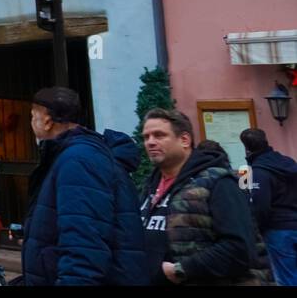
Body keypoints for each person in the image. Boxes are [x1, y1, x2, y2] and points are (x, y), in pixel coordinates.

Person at [21, 86, 146, 286]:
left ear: (46, 120)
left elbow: (84, 245)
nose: (31, 124)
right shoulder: (72, 156)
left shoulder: (78, 160)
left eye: (32, 116)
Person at [140, 109, 271, 285]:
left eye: (159, 135)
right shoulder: (149, 185)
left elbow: (239, 250)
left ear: (184, 140)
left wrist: (179, 270)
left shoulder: (218, 181)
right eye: (146, 137)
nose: (150, 142)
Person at [240, 128, 297, 285]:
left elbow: (260, 207)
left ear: (246, 148)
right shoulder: (289, 162)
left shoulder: (259, 171)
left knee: (286, 277)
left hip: (278, 230)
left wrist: (256, 230)